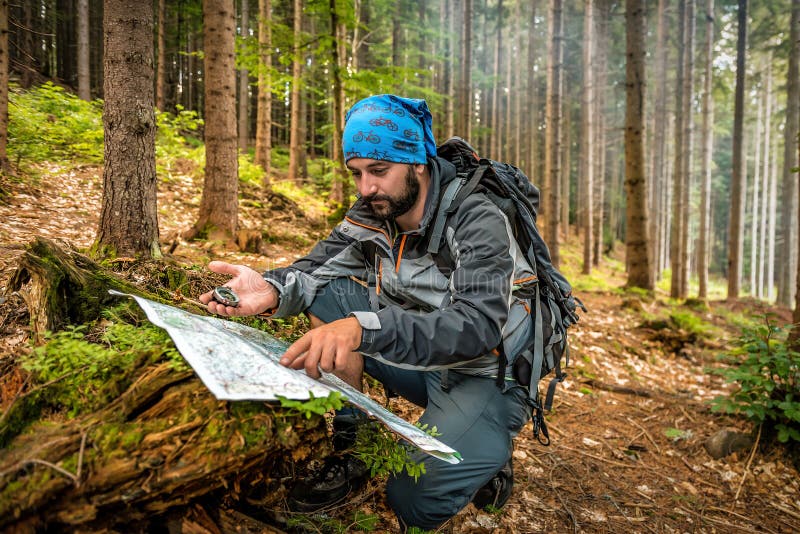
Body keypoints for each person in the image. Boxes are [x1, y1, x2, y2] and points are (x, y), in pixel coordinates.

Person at [200, 94, 533, 531]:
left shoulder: (476, 218)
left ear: (417, 162)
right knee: (327, 294)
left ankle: (487, 448)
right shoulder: (374, 212)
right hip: (420, 357)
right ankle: (352, 443)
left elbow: (477, 326)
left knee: (412, 499)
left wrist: (363, 328)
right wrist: (269, 288)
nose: (366, 188)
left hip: (485, 372)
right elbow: (317, 268)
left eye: (379, 170)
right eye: (356, 173)